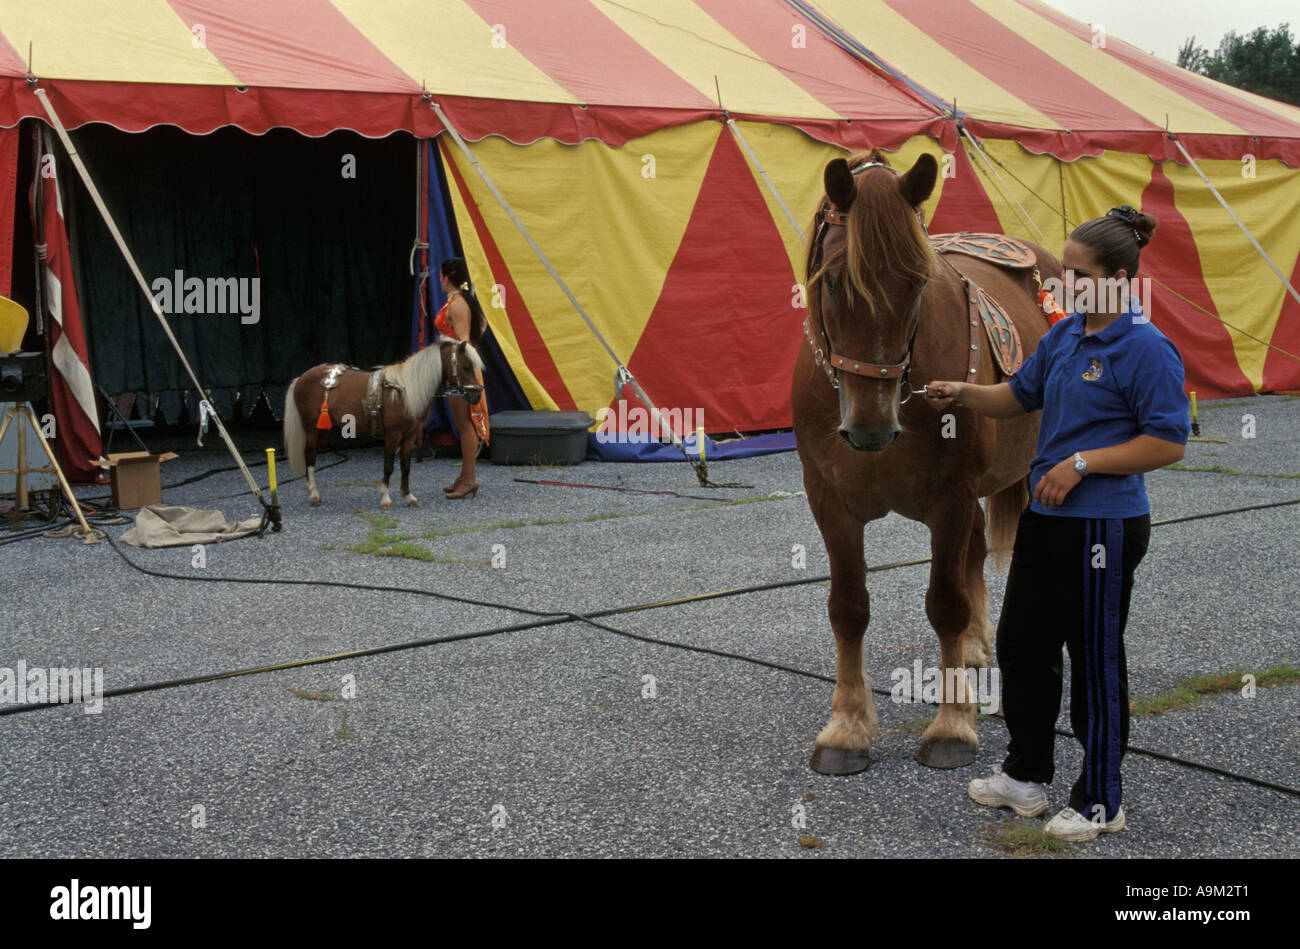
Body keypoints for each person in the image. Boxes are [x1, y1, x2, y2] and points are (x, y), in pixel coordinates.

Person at [925, 206, 1190, 842]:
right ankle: (1025, 775)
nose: (1060, 283)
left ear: (1119, 279)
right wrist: (960, 392)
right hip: (1047, 518)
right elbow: (1019, 395)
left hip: (1104, 526)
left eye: (1075, 274)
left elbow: (1168, 441)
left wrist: (1081, 462)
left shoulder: (1146, 348)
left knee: (1095, 661)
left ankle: (1101, 800)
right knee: (1021, 647)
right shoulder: (1065, 335)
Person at [434, 258, 490, 499]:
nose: (439, 280)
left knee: (466, 426)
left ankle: (469, 479)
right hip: (460, 370)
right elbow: (483, 325)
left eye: (440, 275)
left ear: (447, 278)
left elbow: (463, 341)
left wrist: (458, 364)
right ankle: (466, 476)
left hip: (461, 374)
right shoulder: (463, 301)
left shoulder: (457, 305)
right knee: (464, 425)